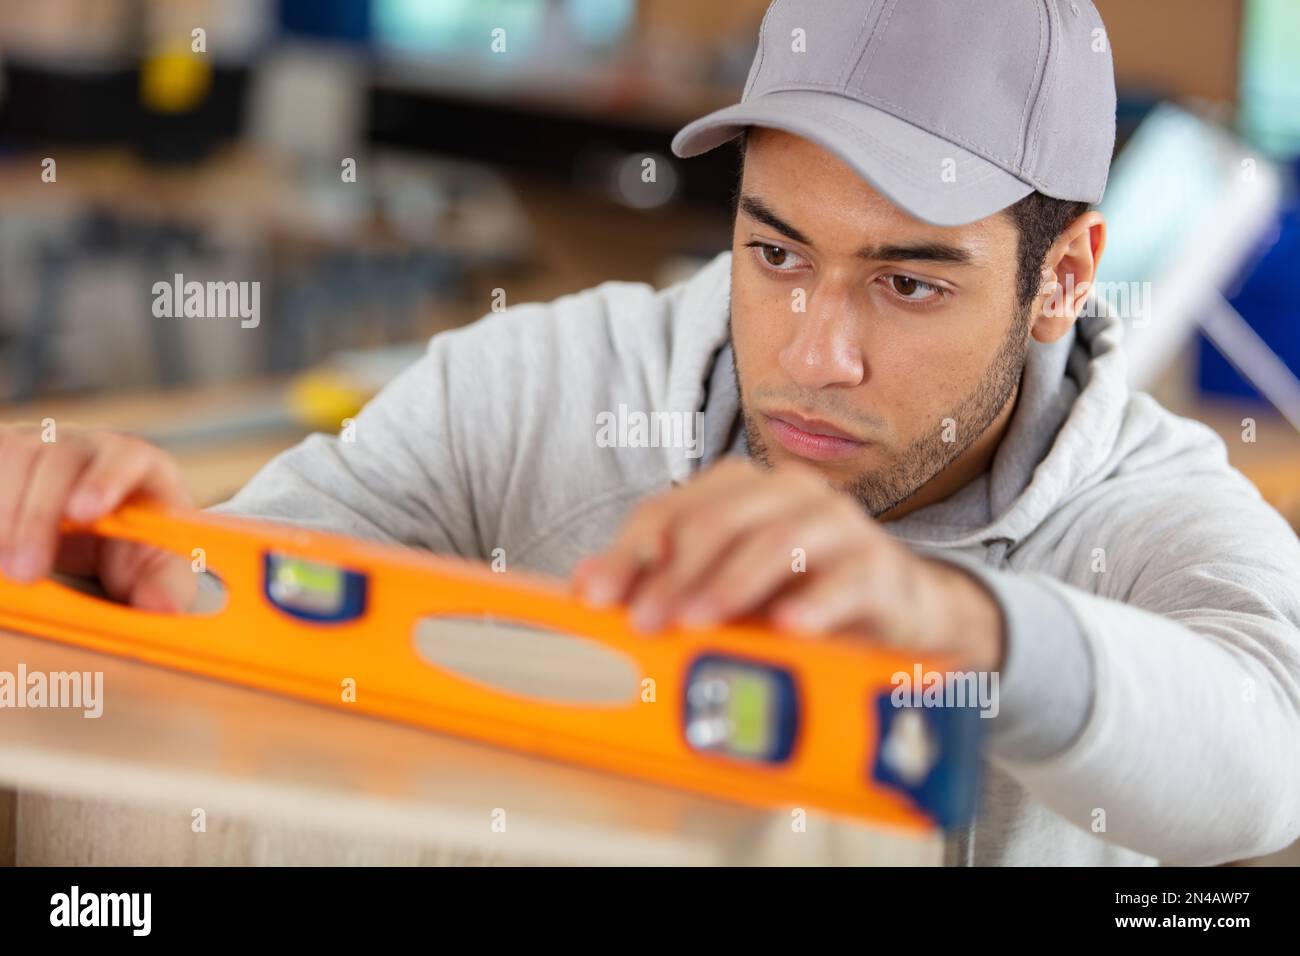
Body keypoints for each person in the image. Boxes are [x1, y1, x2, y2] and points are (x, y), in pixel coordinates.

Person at [1, 0, 1297, 866]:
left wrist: (961, 621)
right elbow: (249, 583)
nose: (810, 353)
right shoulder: (548, 382)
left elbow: (1266, 756)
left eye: (908, 283)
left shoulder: (1147, 511)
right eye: (775, 251)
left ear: (1065, 275)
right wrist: (113, 561)